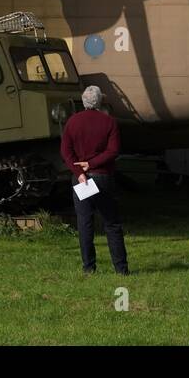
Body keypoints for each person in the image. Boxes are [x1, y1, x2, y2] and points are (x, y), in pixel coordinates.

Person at [60, 85, 128, 274]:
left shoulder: (72, 122)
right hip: (103, 176)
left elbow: (66, 151)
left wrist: (79, 171)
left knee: (85, 223)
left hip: (81, 180)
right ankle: (121, 268)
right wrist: (92, 163)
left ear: (83, 102)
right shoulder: (109, 122)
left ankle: (89, 267)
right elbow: (113, 151)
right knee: (112, 223)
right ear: (100, 101)